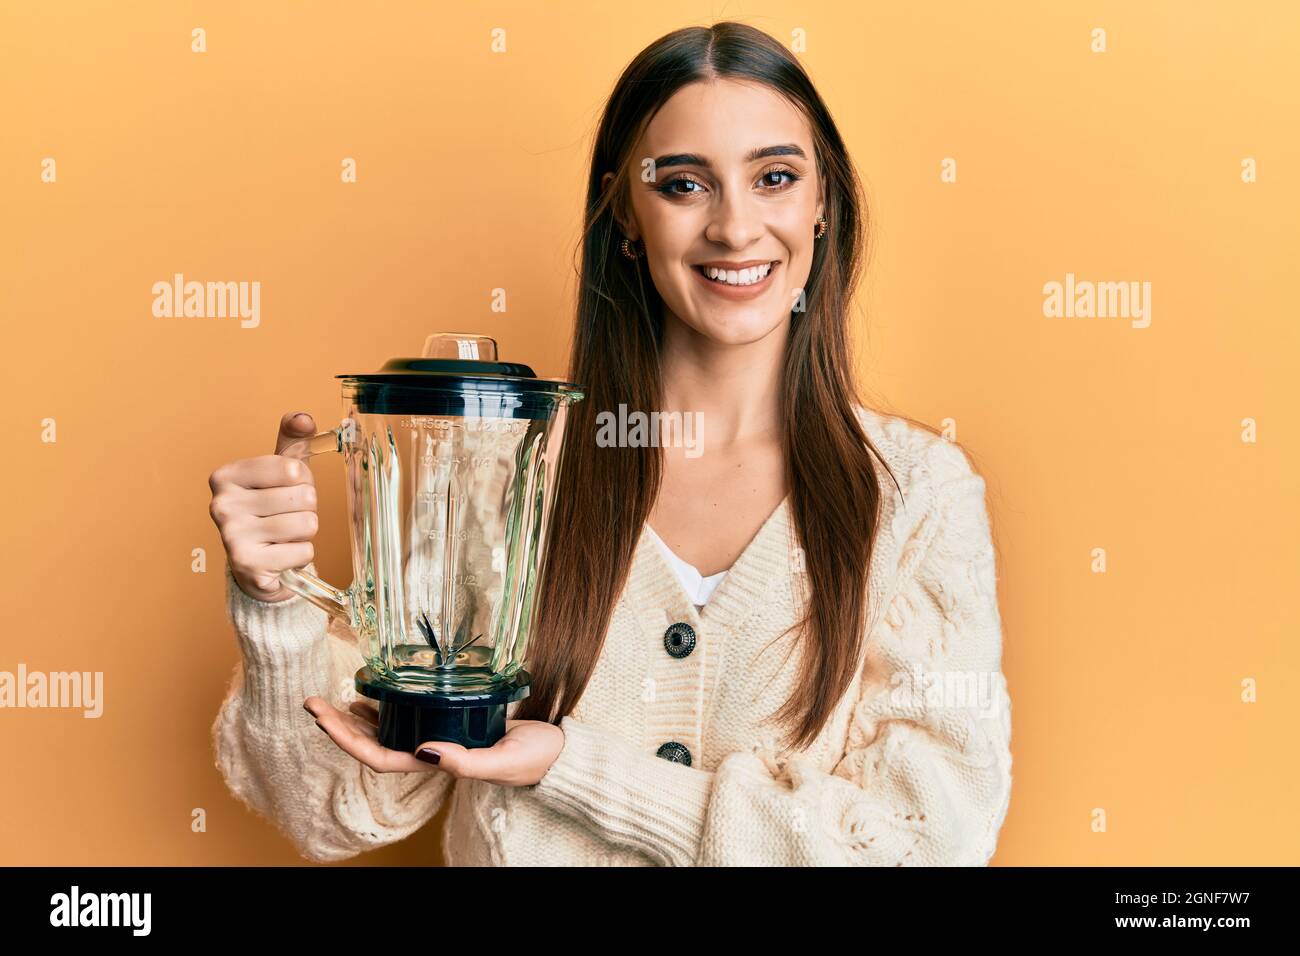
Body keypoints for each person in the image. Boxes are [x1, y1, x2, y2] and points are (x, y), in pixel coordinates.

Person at [207, 21, 1013, 866]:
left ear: (824, 206)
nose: (736, 229)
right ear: (626, 208)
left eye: (775, 177)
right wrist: (274, 610)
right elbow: (346, 808)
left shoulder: (917, 495)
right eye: (684, 185)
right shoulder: (510, 468)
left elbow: (928, 843)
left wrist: (576, 769)